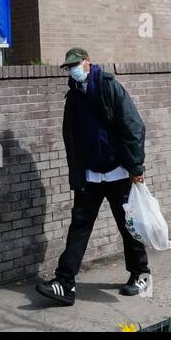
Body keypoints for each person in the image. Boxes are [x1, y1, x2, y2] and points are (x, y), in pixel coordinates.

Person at [36, 47, 150, 306]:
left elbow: (133, 126)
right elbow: (71, 139)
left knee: (128, 226)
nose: (72, 69)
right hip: (90, 176)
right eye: (68, 66)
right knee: (79, 227)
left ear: (87, 63)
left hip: (119, 172)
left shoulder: (110, 87)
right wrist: (77, 174)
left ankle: (140, 273)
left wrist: (136, 168)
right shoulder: (73, 97)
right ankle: (65, 283)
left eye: (75, 64)